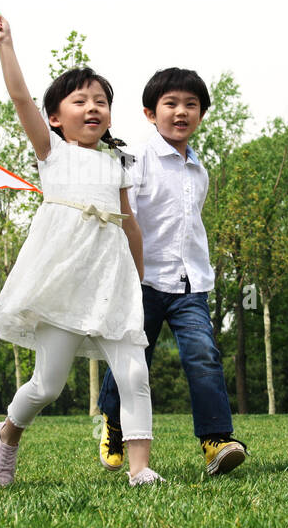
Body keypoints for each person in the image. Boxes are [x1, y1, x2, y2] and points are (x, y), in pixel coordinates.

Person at [0, 11, 162, 487]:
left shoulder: (119, 163)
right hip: (63, 283)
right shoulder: (53, 153)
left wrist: (137, 285)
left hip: (113, 282)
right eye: (80, 100)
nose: (93, 108)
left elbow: (132, 229)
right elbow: (21, 97)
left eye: (101, 101)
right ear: (56, 118)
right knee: (47, 385)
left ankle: (141, 469)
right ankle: (8, 433)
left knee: (134, 375)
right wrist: (6, 43)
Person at [95, 68, 248, 475]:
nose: (181, 112)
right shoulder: (136, 160)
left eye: (191, 105)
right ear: (150, 113)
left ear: (201, 114)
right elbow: (125, 217)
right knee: (131, 360)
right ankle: (112, 421)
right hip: (141, 280)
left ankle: (216, 440)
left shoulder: (200, 170)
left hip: (191, 283)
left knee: (203, 355)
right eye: (171, 104)